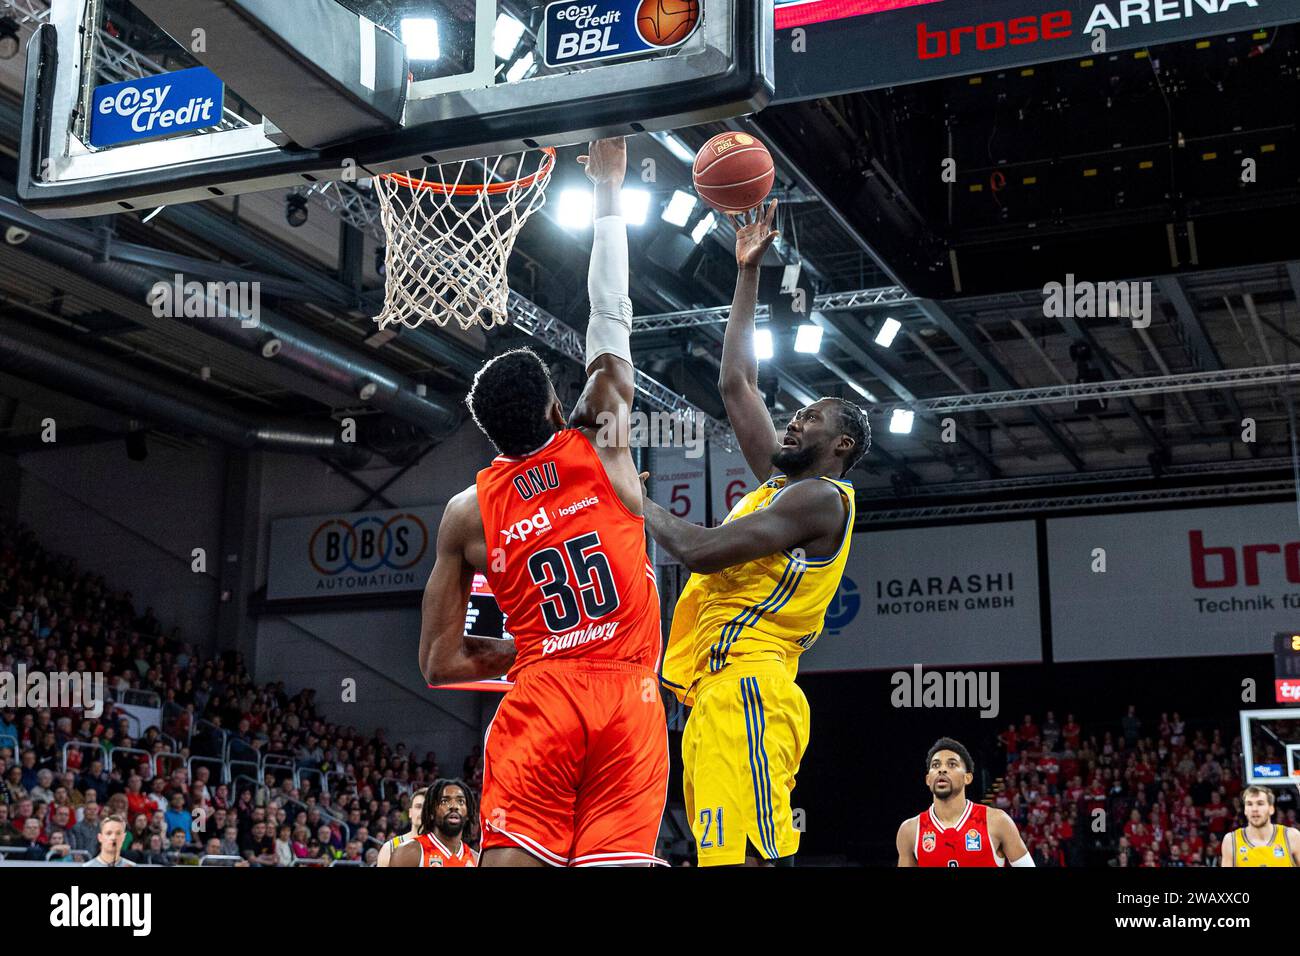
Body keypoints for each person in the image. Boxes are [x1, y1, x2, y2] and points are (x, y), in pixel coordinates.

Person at [417, 137, 666, 868]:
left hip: (542, 699)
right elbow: (609, 316)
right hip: (628, 699)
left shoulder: (468, 512)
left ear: (489, 435)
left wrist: (530, 649)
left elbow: (440, 662)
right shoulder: (600, 445)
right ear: (561, 411)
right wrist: (610, 190)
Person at [643, 201, 868, 867]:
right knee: (718, 859)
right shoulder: (781, 485)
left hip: (752, 687)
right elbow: (737, 382)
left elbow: (701, 552)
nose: (794, 422)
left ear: (842, 446)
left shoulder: (823, 502)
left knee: (760, 858)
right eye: (795, 415)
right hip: (714, 692)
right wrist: (747, 273)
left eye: (811, 420)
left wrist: (633, 497)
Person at [897, 738, 1033, 867]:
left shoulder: (997, 821)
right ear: (928, 779)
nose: (942, 769)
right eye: (935, 765)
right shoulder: (910, 830)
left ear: (967, 778)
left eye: (952, 764)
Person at [391, 780, 478, 868]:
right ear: (431, 812)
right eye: (444, 801)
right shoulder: (408, 852)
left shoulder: (476, 859)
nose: (454, 806)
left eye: (461, 801)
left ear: (468, 814)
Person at [1220, 785, 1300, 867]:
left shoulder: (1291, 836)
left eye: (1260, 804)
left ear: (1271, 809)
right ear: (1245, 810)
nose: (1254, 809)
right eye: (1249, 804)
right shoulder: (1231, 841)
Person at [377, 787, 426, 867]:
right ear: (410, 812)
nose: (422, 812)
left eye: (427, 808)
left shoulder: (445, 848)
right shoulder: (391, 847)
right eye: (418, 807)